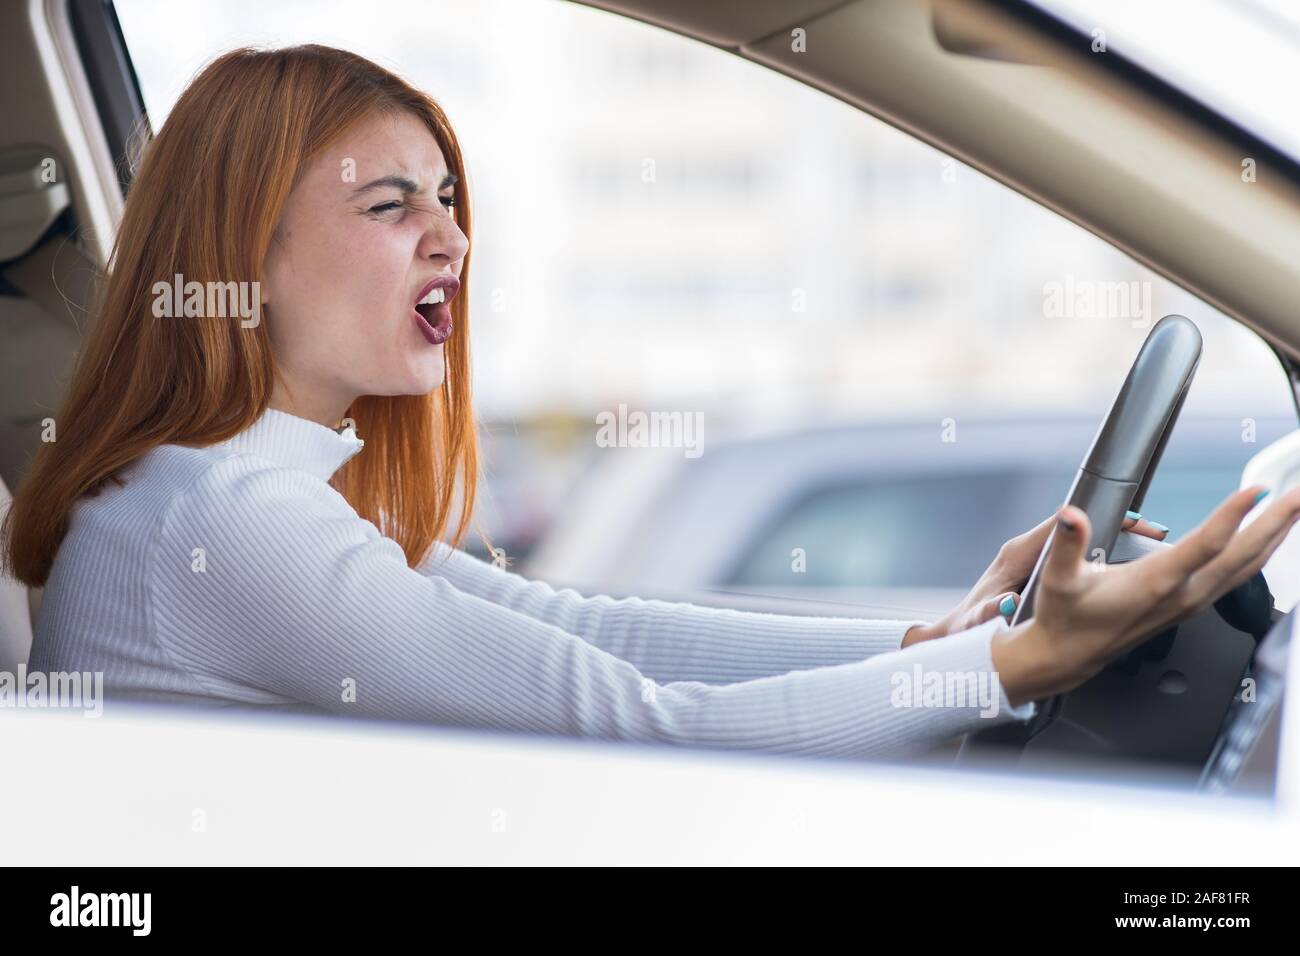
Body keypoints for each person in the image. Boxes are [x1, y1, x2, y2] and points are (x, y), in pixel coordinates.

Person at [5, 45, 1297, 760]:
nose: (449, 241)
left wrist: (937, 642)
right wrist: (1010, 663)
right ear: (245, 251)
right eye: (391, 205)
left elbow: (608, 635)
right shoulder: (221, 524)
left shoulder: (236, 494)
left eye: (451, 200)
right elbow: (645, 727)